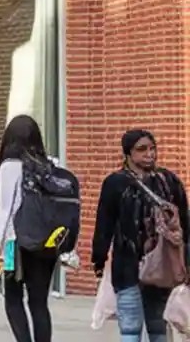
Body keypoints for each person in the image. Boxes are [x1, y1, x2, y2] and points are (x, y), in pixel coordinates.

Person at [92, 129, 190, 342]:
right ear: (127, 154)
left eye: (153, 148)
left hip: (161, 265)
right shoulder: (115, 183)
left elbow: (185, 224)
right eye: (142, 149)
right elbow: (105, 224)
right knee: (130, 327)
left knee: (156, 326)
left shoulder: (168, 181)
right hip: (128, 265)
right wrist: (98, 258)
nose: (150, 154)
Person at [0, 114, 57, 342]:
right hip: (46, 244)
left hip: (13, 244)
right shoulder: (52, 165)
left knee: (12, 299)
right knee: (39, 303)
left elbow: (3, 211)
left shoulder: (9, 167)